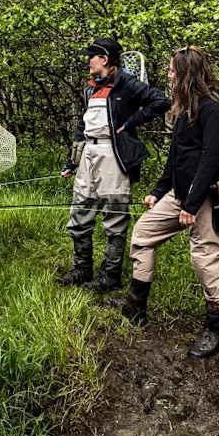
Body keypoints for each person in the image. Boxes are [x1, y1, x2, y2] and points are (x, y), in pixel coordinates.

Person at [120, 47, 219, 358]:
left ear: (185, 73)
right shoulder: (183, 110)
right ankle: (135, 305)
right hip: (181, 195)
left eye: (172, 71)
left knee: (205, 256)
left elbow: (210, 160)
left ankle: (216, 328)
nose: (168, 75)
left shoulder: (214, 110)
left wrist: (192, 206)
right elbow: (176, 158)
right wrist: (158, 192)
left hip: (210, 194)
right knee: (142, 235)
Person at [60, 37, 170, 292]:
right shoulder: (89, 88)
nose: (88, 60)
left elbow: (161, 101)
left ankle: (110, 277)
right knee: (79, 213)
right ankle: (81, 268)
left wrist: (132, 123)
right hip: (88, 153)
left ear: (105, 60)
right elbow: (83, 126)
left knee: (115, 218)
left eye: (92, 56)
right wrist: (72, 162)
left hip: (114, 155)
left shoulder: (127, 84)